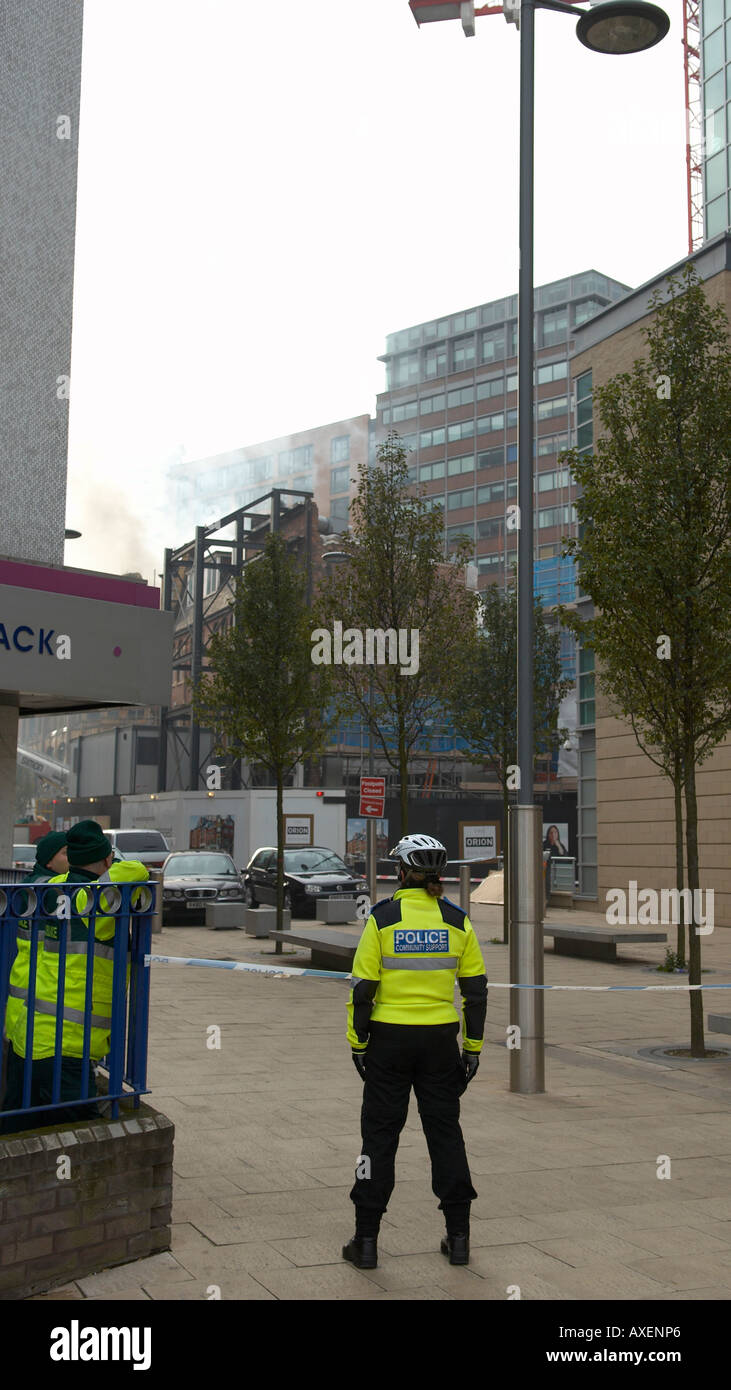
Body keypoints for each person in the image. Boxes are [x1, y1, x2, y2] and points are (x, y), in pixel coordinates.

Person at [343, 834, 487, 1270]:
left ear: (402, 873)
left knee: (378, 1139)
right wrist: (473, 1049)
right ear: (437, 876)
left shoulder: (382, 920)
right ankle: (458, 1238)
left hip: (388, 1043)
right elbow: (476, 991)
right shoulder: (458, 920)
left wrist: (358, 1042)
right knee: (445, 1135)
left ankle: (366, 1242)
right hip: (440, 1045)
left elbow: (363, 989)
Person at [0, 819, 149, 1133]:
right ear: (107, 859)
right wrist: (111, 862)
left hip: (25, 1036)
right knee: (78, 1137)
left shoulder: (52, 889)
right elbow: (136, 870)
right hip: (68, 1046)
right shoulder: (96, 900)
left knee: (18, 1129)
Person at [4, 831, 68, 1043]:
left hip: (22, 1002)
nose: (73, 858)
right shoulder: (51, 889)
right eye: (67, 853)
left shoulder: (31, 884)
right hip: (37, 1004)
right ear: (49, 861)